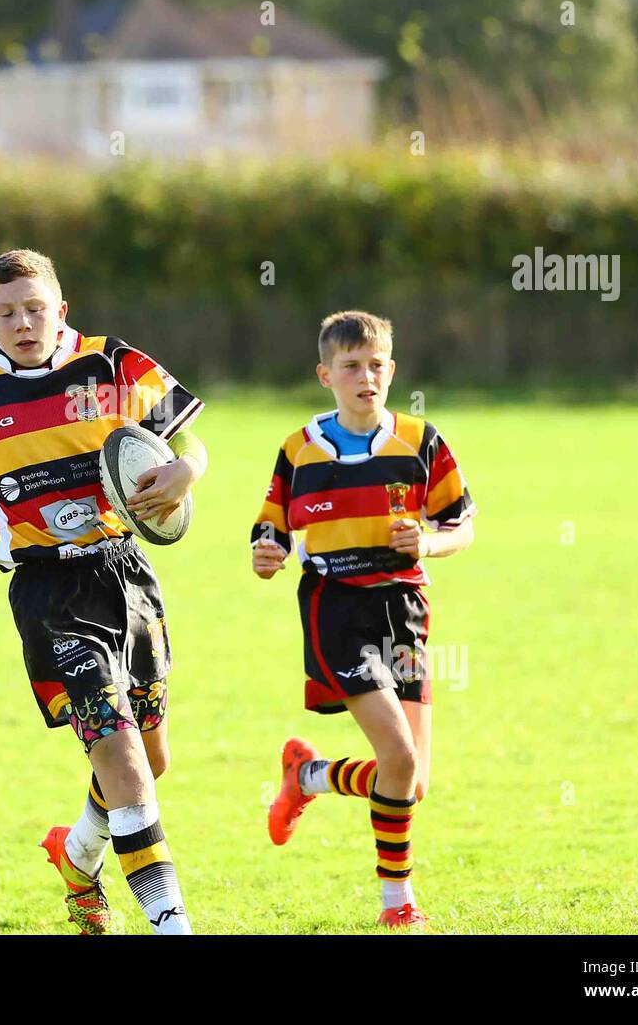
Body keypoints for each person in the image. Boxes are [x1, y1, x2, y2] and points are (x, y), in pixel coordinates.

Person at [0, 249, 207, 935]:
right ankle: (172, 925)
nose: (23, 321)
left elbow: (190, 439)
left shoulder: (111, 364)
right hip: (48, 591)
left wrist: (186, 468)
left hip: (126, 572)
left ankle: (76, 856)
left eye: (35, 308)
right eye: (7, 312)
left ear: (60, 310)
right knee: (122, 758)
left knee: (152, 760)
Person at [251, 309, 475, 929]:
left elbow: (463, 527)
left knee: (412, 779)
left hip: (405, 610)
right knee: (397, 758)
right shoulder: (300, 449)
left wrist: (428, 543)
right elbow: (269, 533)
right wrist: (266, 555)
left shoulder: (420, 441)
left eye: (377, 365)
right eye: (351, 366)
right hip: (337, 608)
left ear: (392, 369)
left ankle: (310, 776)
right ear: (326, 374)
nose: (366, 377)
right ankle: (396, 904)